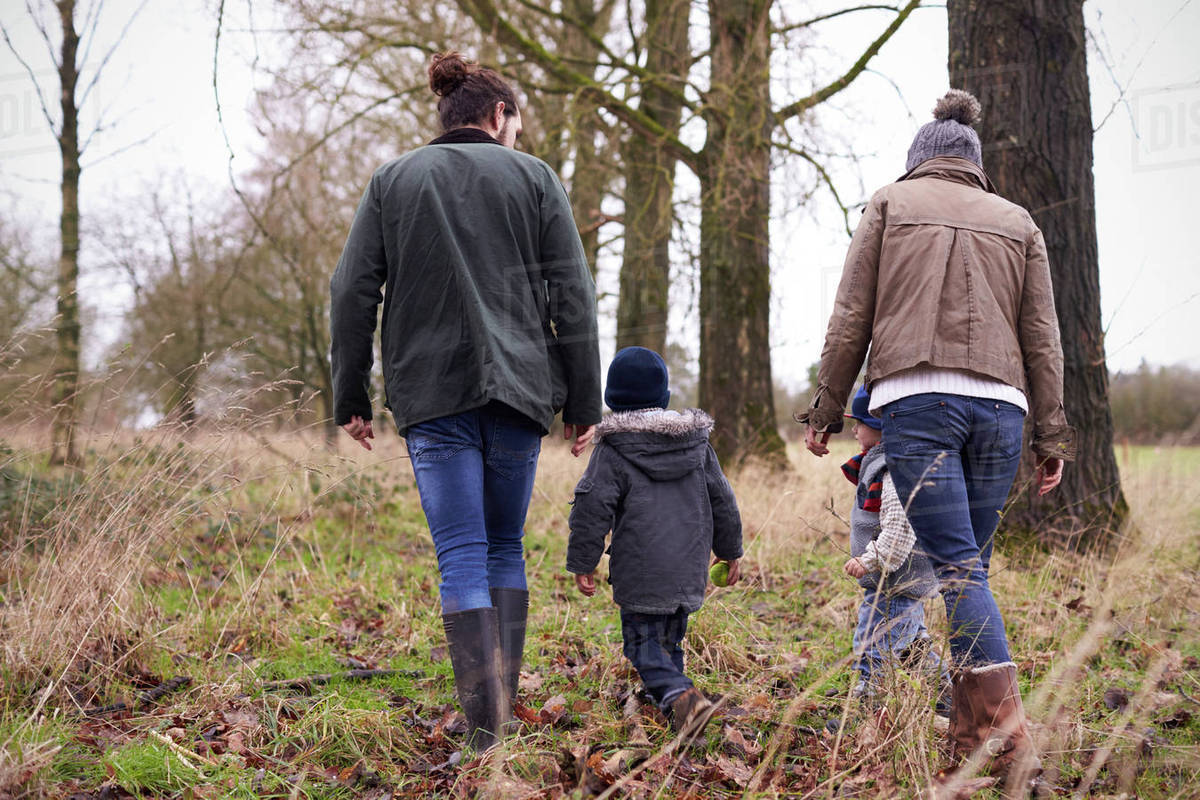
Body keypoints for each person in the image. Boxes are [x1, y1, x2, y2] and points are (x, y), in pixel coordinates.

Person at [796, 89, 1076, 785]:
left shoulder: (890, 203)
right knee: (967, 568)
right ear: (974, 165)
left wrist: (827, 408)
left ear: (921, 161)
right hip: (1002, 411)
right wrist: (1052, 434)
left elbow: (851, 313)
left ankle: (1011, 748)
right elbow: (1044, 338)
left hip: (917, 401)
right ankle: (967, 738)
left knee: (958, 572)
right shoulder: (1019, 222)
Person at [329, 51, 601, 751]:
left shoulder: (394, 181)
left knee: (461, 553)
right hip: (519, 391)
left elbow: (351, 292)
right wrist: (583, 402)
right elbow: (573, 295)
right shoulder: (536, 178)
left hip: (431, 392)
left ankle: (486, 736)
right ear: (499, 116)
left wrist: (351, 393)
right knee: (505, 546)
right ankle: (500, 720)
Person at [567, 347, 743, 738]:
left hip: (640, 570)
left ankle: (679, 695)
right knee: (669, 639)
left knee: (642, 645)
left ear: (612, 399)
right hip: (688, 567)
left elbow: (591, 505)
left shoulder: (613, 449)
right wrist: (730, 550)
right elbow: (723, 498)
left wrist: (583, 561)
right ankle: (672, 705)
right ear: (664, 397)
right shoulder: (697, 445)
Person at [839, 386, 951, 712]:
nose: (854, 429)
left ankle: (869, 713)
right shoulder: (882, 460)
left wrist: (872, 558)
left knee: (874, 643)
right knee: (911, 645)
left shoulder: (892, 465)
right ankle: (950, 697)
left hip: (893, 576)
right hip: (900, 579)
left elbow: (901, 525)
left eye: (859, 422)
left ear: (882, 425)